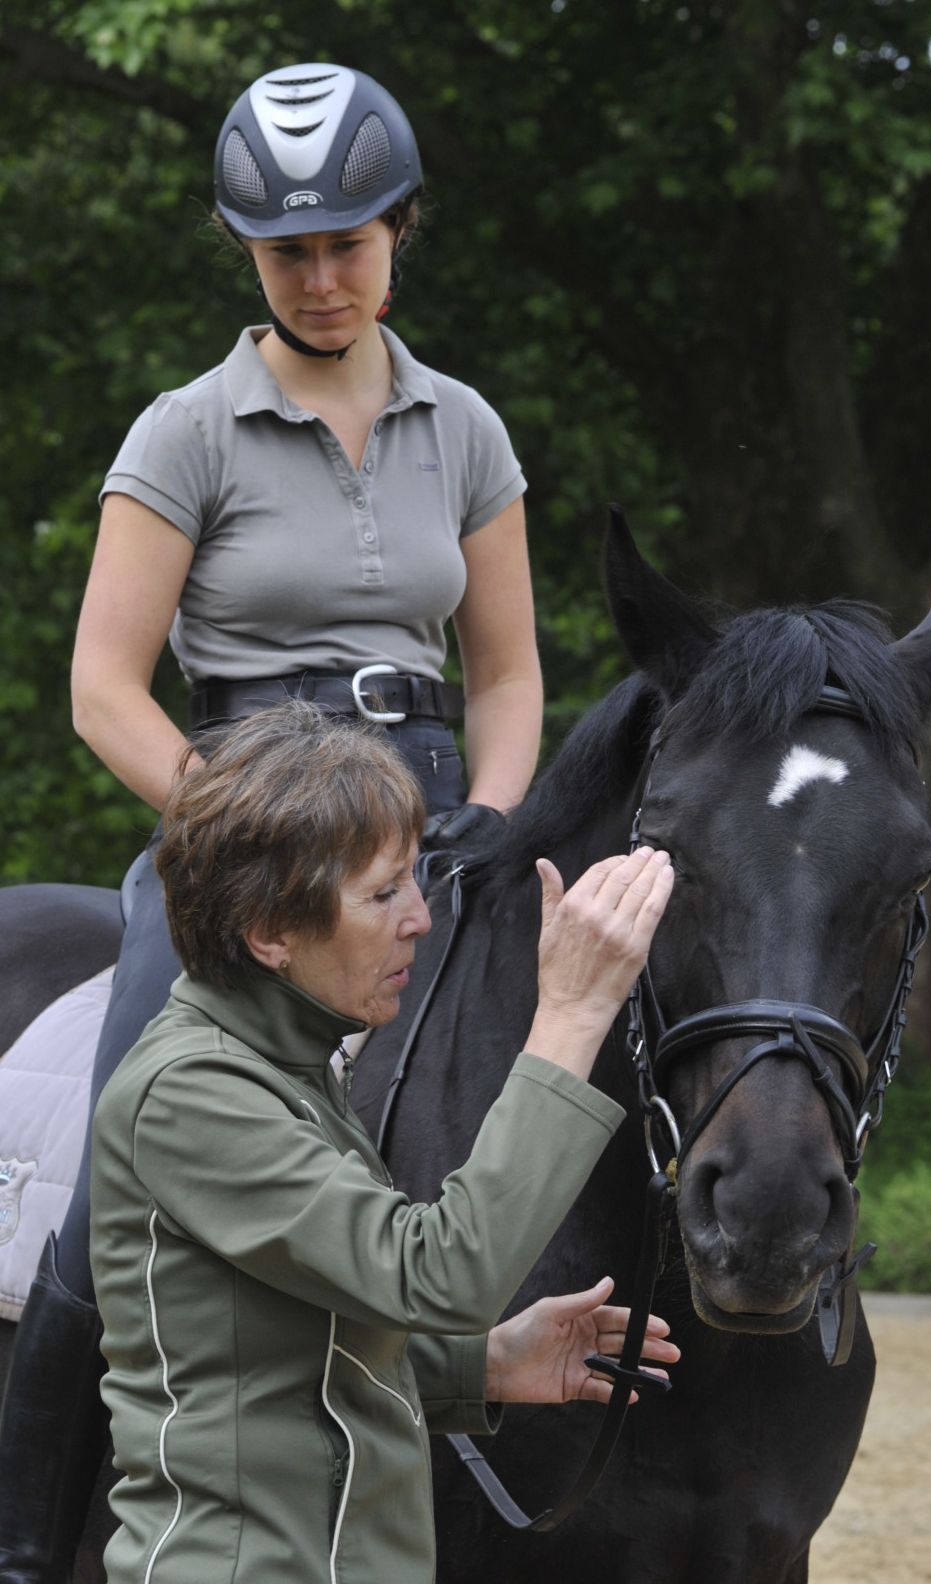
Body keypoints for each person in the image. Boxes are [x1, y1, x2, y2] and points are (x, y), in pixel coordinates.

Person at [0, 61, 543, 1584]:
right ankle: (30, 1548)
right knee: (122, 1172)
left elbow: (506, 674)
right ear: (247, 252)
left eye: (349, 242)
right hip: (238, 839)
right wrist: (249, 843)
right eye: (286, 249)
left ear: (400, 231)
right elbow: (106, 689)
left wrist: (491, 817)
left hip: (437, 824)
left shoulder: (468, 431)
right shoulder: (187, 432)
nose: (320, 277)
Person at [90, 702, 677, 1582]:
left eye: (413, 881)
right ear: (270, 933)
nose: (420, 919)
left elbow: (280, 1357)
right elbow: (441, 1274)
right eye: (382, 892)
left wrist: (483, 1365)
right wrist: (572, 1014)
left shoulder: (286, 1060)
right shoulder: (193, 1091)